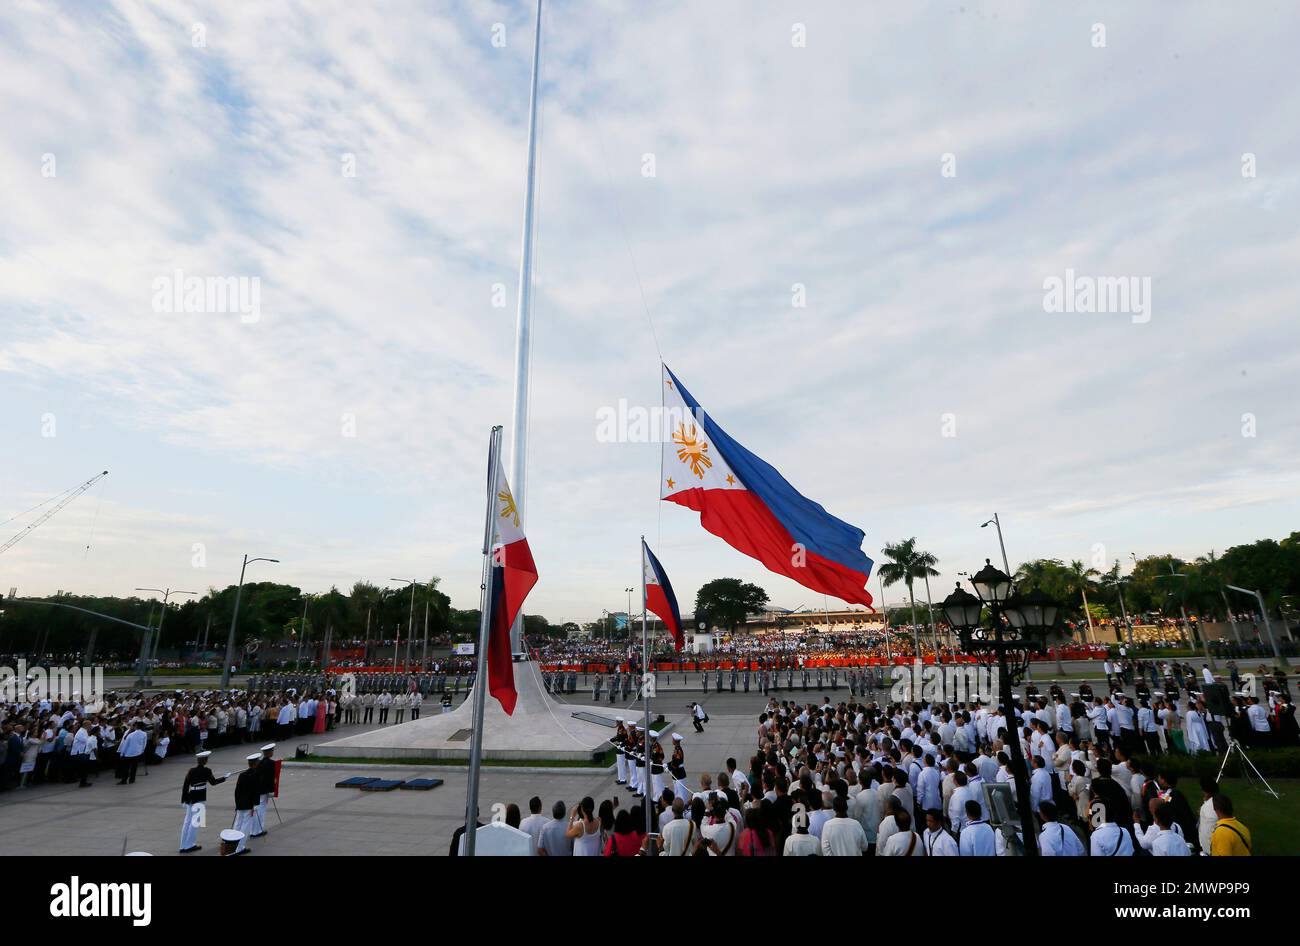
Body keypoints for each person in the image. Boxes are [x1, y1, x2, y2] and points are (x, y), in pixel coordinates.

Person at [179, 750, 227, 854]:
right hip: (199, 798)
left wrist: (183, 799)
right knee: (195, 822)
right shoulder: (207, 771)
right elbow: (213, 783)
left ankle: (182, 845)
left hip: (190, 796)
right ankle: (189, 845)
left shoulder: (191, 771)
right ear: (205, 760)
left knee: (187, 822)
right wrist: (224, 778)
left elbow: (185, 786)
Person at [232, 753, 262, 854]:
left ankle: (233, 845)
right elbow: (256, 791)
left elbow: (237, 791)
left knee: (237, 825)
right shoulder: (256, 775)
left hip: (240, 804)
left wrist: (237, 804)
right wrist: (255, 805)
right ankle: (240, 847)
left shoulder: (242, 775)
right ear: (256, 763)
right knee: (245, 827)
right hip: (249, 805)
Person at [252, 743, 276, 838]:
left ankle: (253, 830)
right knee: (260, 811)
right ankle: (258, 830)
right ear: (269, 752)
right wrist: (272, 790)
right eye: (272, 751)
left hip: (257, 789)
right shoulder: (272, 763)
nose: (272, 752)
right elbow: (271, 778)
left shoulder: (259, 763)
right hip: (264, 790)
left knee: (256, 809)